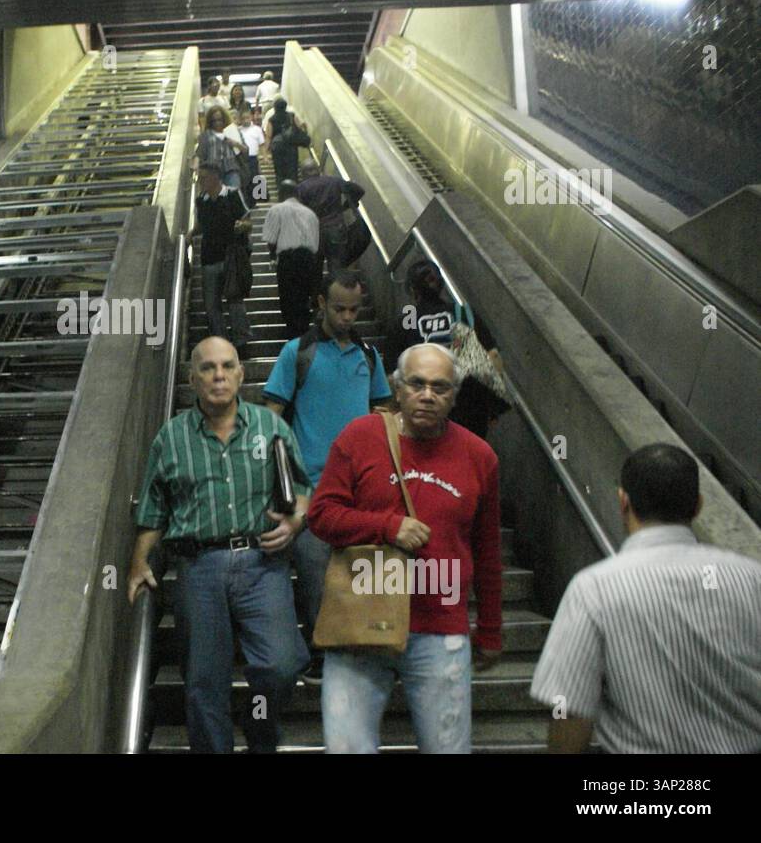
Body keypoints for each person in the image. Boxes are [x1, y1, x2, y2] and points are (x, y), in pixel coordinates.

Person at [307, 343, 503, 753]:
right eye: (417, 384)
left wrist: (489, 628)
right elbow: (321, 516)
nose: (427, 395)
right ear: (397, 388)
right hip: (361, 618)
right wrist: (387, 526)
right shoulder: (359, 437)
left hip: (440, 626)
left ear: (454, 396)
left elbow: (487, 549)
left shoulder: (479, 456)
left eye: (440, 387)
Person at [129, 336, 312, 753]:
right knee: (203, 684)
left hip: (262, 564)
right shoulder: (171, 438)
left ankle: (258, 721)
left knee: (282, 665)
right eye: (208, 368)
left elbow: (303, 486)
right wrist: (139, 562)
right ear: (192, 378)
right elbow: (154, 510)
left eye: (228, 366)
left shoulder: (270, 427)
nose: (219, 375)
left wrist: (297, 519)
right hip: (199, 568)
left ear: (241, 374)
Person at [530, 443, 761, 753]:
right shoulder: (752, 579)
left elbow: (569, 710)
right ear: (697, 506)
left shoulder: (593, 588)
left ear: (623, 501)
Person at [263, 269, 393, 676]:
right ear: (321, 303)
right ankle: (325, 654)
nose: (348, 317)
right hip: (313, 490)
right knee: (317, 573)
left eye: (354, 310)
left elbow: (385, 412)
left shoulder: (368, 356)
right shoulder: (297, 353)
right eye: (339, 308)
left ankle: (368, 646)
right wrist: (286, 479)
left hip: (363, 490)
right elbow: (272, 417)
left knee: (363, 570)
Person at [384, 259, 508, 438]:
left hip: (424, 412)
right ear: (441, 285)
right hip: (470, 410)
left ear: (412, 290)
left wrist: (394, 413)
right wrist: (492, 407)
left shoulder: (405, 322)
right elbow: (493, 356)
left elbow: (390, 375)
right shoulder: (464, 313)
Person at [190, 163, 253, 358]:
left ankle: (242, 342)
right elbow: (201, 225)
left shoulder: (232, 194)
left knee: (234, 300)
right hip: (209, 257)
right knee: (211, 305)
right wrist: (189, 236)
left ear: (215, 178)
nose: (200, 182)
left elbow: (248, 221)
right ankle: (222, 343)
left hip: (230, 256)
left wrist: (242, 226)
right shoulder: (202, 200)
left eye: (203, 178)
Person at [261, 180, 321, 338]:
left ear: (281, 194)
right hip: (308, 259)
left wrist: (273, 257)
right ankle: (304, 331)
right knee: (303, 298)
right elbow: (316, 242)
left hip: (288, 259)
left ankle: (293, 333)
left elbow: (271, 239)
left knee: (288, 298)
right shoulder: (310, 213)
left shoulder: (277, 209)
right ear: (297, 194)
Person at [297, 167, 368, 279]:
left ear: (303, 174)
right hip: (336, 230)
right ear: (318, 171)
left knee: (315, 270)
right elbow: (359, 190)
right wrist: (346, 206)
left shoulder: (301, 187)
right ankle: (337, 294)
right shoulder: (334, 181)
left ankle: (316, 295)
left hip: (315, 234)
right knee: (336, 268)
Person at [193, 106, 244, 190]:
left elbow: (245, 150)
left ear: (224, 119)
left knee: (233, 197)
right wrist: (196, 166)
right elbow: (199, 153)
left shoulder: (231, 131)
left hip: (231, 169)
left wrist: (235, 144)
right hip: (212, 171)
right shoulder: (206, 135)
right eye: (214, 121)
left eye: (219, 120)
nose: (217, 123)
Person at [266, 98, 303, 186]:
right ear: (285, 107)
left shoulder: (271, 119)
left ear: (274, 107)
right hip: (291, 147)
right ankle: (294, 191)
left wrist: (267, 151)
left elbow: (268, 136)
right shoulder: (292, 116)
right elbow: (299, 129)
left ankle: (281, 191)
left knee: (279, 171)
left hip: (278, 148)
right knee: (292, 170)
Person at [237, 108, 265, 203]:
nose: (246, 120)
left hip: (253, 157)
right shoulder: (238, 130)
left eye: (247, 117)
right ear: (240, 119)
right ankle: (246, 201)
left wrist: (264, 156)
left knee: (255, 178)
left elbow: (262, 144)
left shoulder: (257, 129)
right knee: (244, 180)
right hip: (241, 159)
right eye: (243, 118)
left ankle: (256, 200)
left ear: (251, 117)